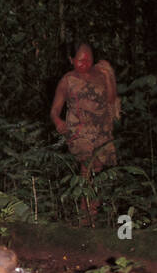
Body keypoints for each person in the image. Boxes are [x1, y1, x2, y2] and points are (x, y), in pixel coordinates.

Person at [50, 44, 119, 221]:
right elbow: (55, 109)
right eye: (80, 60)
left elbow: (111, 100)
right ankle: (85, 212)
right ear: (72, 60)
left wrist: (109, 76)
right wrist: (58, 121)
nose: (84, 64)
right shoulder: (67, 80)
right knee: (88, 163)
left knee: (97, 170)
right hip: (79, 130)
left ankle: (91, 212)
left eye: (88, 60)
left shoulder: (101, 75)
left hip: (101, 130)